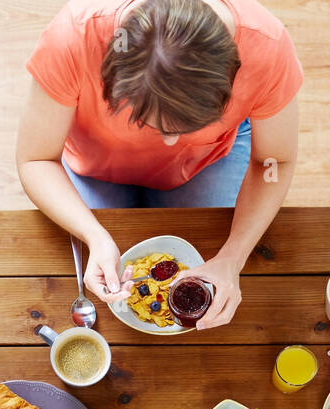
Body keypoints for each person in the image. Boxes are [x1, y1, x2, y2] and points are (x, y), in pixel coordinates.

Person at [16, 0, 301, 328]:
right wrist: (94, 236)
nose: (169, 143)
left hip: (204, 164)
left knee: (210, 247)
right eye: (153, 124)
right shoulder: (72, 38)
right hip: (93, 164)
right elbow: (36, 159)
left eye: (185, 127)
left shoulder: (268, 47)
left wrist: (233, 258)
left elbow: (273, 162)